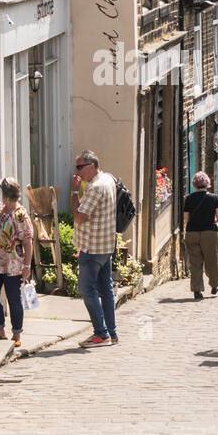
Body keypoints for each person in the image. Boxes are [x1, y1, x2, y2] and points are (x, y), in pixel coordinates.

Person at [71, 149, 119, 348]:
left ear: (92, 166)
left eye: (80, 167)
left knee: (87, 289)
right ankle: (112, 332)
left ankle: (101, 334)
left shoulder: (95, 187)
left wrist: (74, 192)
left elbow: (80, 217)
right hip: (106, 245)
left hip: (92, 248)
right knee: (106, 289)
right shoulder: (108, 179)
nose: (78, 171)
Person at [0, 177, 34, 348]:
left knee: (13, 298)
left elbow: (28, 241)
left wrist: (27, 266)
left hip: (13, 263)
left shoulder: (20, 215)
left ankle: (16, 333)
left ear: (7, 195)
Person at [182, 171, 218, 299]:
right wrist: (211, 220)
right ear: (207, 183)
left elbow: (186, 219)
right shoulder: (214, 198)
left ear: (194, 184)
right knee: (211, 260)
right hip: (209, 233)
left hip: (192, 232)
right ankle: (215, 284)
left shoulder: (188, 198)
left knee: (195, 262)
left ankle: (197, 290)